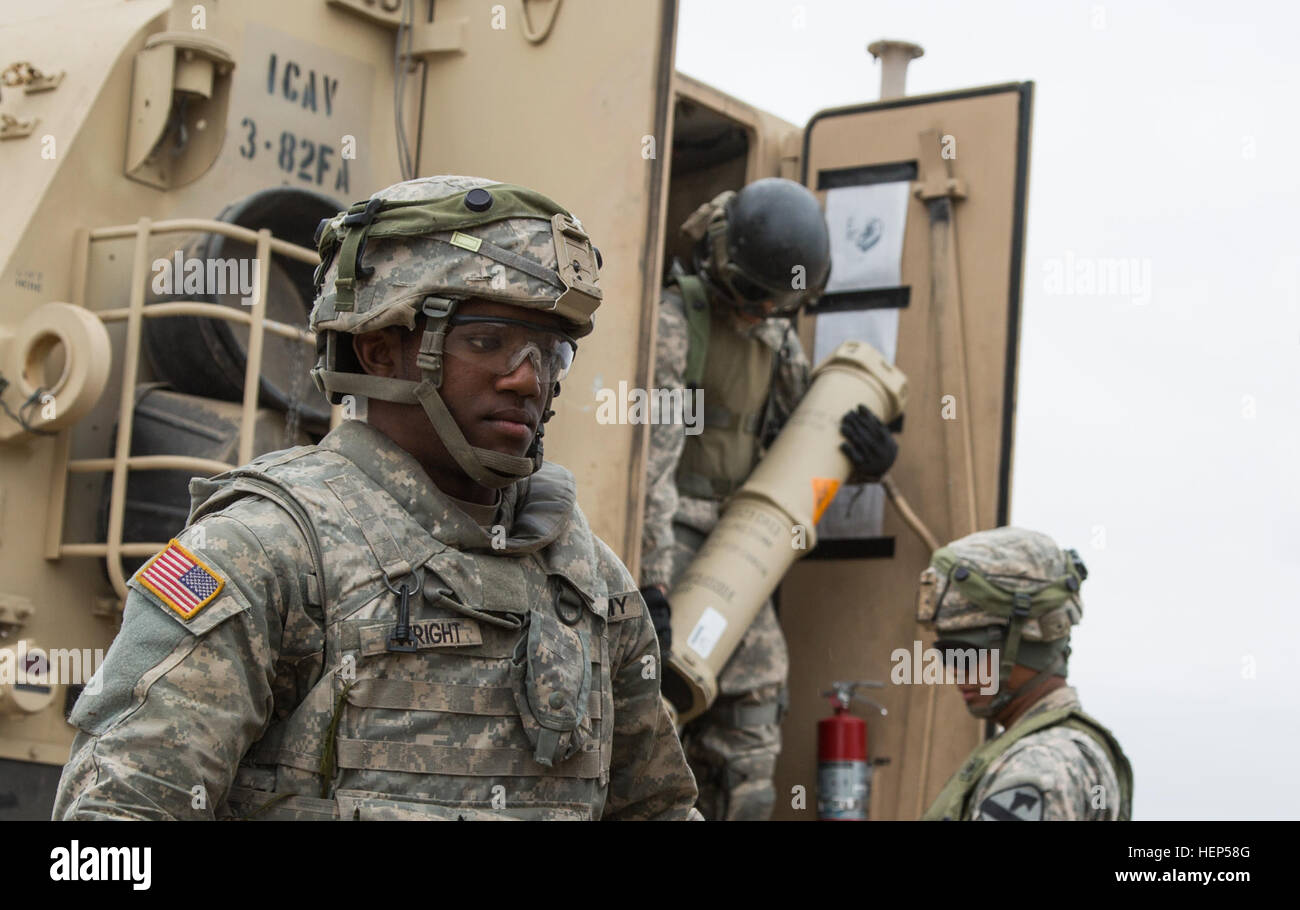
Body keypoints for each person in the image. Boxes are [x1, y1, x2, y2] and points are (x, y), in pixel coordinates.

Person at [53, 175, 699, 821]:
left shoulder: (591, 586)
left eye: (551, 351)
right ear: (381, 350)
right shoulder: (262, 552)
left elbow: (659, 811)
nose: (529, 378)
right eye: (487, 341)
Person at [640, 178, 898, 820]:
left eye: (779, 304)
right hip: (670, 534)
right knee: (654, 705)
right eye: (755, 297)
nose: (761, 313)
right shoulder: (674, 323)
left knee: (757, 699)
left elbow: (800, 439)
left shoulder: (777, 342)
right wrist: (648, 586)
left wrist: (868, 458)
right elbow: (651, 468)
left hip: (741, 536)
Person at [918, 526, 1133, 821]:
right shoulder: (1042, 752)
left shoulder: (1041, 765)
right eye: (948, 655)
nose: (956, 672)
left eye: (968, 653)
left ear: (1025, 645)